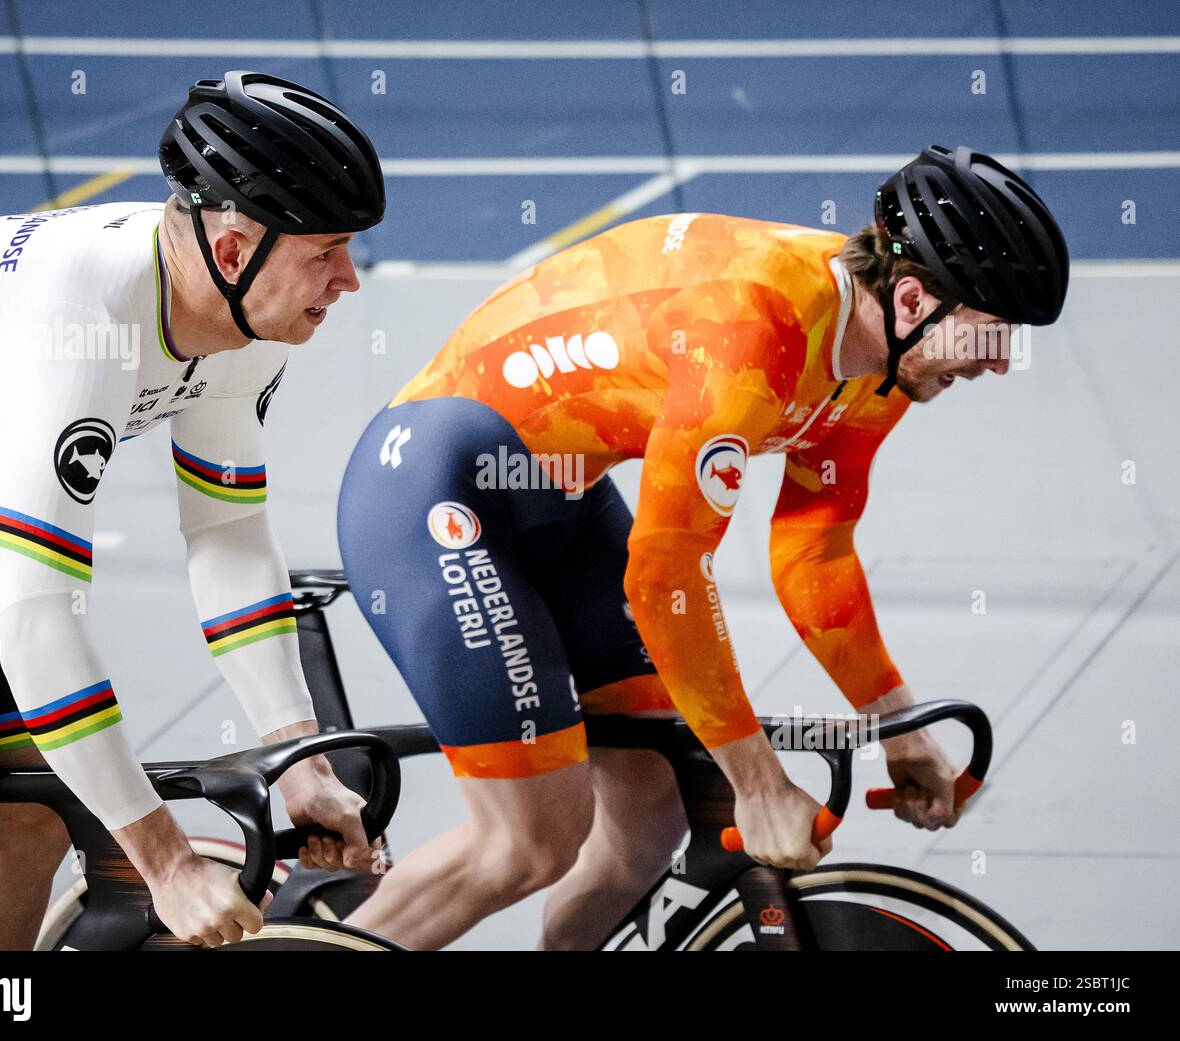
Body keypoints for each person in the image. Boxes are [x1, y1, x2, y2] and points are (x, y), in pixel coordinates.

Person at [336, 145, 1068, 949]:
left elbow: (813, 549)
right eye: (989, 336)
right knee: (531, 840)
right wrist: (755, 781)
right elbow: (667, 575)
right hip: (433, 483)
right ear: (911, 298)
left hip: (560, 495)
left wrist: (897, 721)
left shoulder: (880, 365)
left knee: (650, 818)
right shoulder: (756, 326)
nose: (999, 363)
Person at [0, 71, 386, 949]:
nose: (348, 278)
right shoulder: (80, 324)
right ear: (233, 250)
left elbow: (227, 536)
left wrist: (299, 758)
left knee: (27, 826)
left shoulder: (250, 322)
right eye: (327, 250)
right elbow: (37, 617)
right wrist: (165, 861)